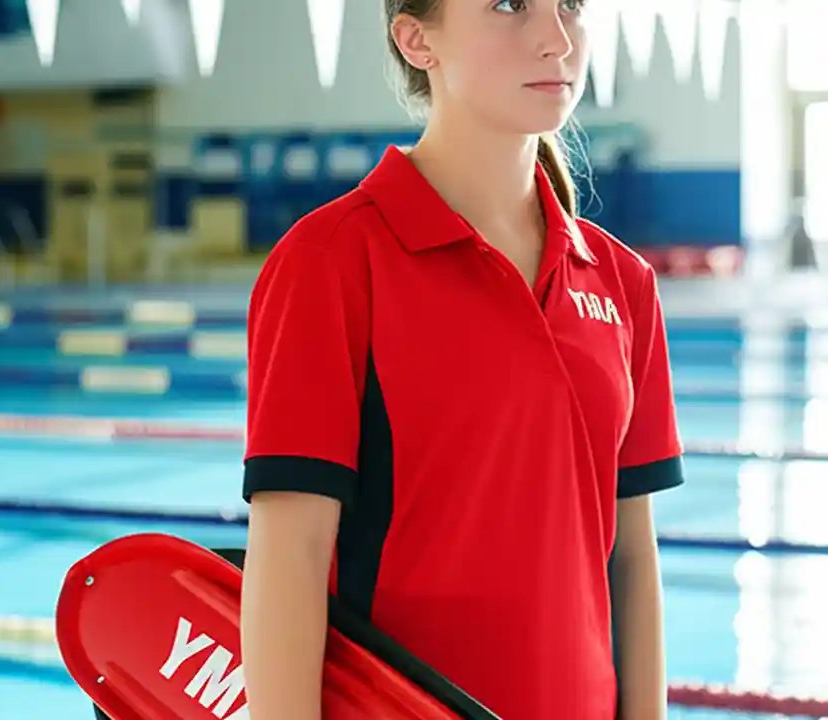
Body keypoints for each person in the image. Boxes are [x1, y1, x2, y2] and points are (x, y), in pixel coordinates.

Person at [239, 0, 685, 718]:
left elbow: (631, 556)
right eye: (509, 5)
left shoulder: (622, 283)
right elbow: (288, 554)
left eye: (571, 5)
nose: (557, 38)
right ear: (417, 40)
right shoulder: (334, 262)